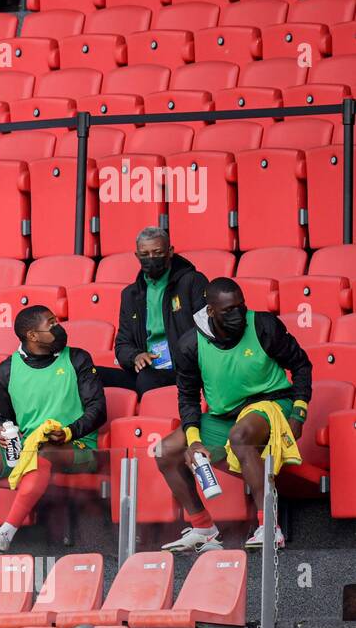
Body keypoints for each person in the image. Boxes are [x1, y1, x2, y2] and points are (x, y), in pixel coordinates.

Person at [156, 278, 311, 552]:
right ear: (211, 311)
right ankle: (203, 527)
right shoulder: (190, 343)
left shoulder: (263, 325)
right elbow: (188, 396)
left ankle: (269, 526)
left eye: (240, 306)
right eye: (228, 310)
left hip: (271, 404)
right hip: (225, 416)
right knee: (165, 450)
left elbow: (300, 365)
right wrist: (193, 439)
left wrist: (299, 413)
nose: (237, 314)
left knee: (240, 435)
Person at [0, 305, 106, 556]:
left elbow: (98, 409)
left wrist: (69, 432)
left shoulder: (78, 358)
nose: (59, 327)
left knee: (45, 451)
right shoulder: (6, 369)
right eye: (51, 324)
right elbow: (1, 416)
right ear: (32, 335)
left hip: (78, 446)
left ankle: (5, 533)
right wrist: (2, 431)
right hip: (28, 445)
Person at [108, 227, 209, 398]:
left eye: (157, 252)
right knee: (92, 374)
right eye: (144, 254)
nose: (151, 259)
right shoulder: (130, 295)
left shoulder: (193, 282)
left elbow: (207, 330)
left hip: (185, 371)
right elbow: (123, 342)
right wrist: (135, 356)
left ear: (170, 251)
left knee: (146, 380)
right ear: (136, 256)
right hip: (147, 370)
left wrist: (184, 357)